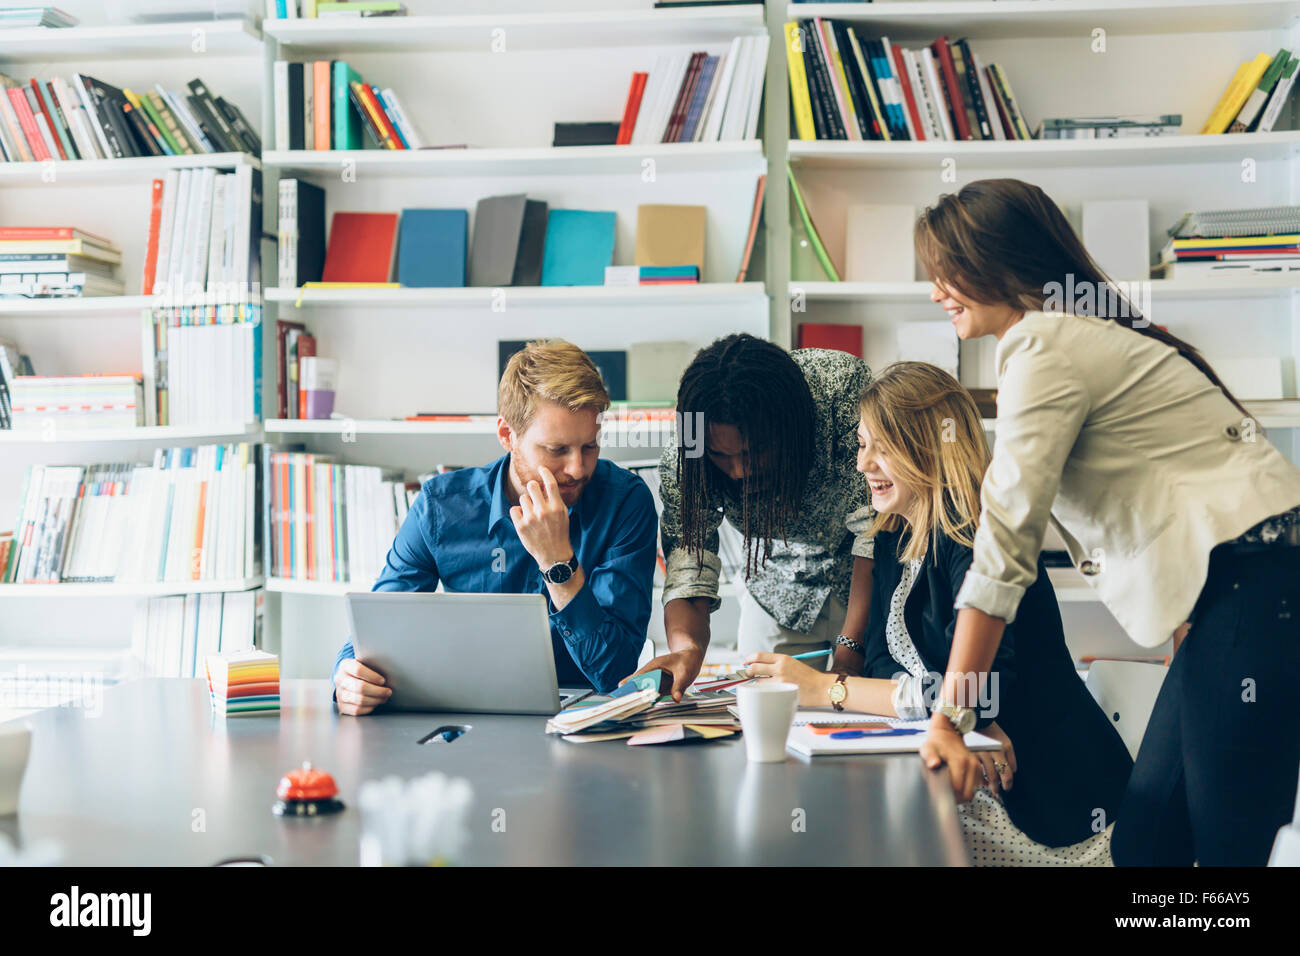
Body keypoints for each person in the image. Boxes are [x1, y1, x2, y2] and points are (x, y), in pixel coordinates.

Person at [909, 178, 1300, 867]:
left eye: (947, 270)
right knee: (1148, 847)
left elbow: (1005, 543)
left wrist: (950, 717)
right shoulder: (1076, 336)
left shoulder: (1041, 345)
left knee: (1228, 853)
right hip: (1239, 598)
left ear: (998, 260)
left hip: (1260, 592)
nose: (936, 289)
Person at [747, 362, 1133, 865]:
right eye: (862, 445)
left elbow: (982, 691)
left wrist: (828, 690)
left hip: (1052, 810)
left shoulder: (979, 537)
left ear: (929, 447)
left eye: (882, 447)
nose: (864, 464)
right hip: (975, 774)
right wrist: (939, 704)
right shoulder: (895, 537)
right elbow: (887, 664)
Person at [331, 339, 658, 714]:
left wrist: (558, 564)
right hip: (467, 715)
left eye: (589, 447)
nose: (578, 469)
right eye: (556, 450)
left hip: (585, 721)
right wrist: (346, 676)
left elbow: (615, 671)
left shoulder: (626, 503)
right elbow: (377, 626)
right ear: (507, 436)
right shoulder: (441, 506)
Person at [631, 333, 875, 700]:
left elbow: (873, 529)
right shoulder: (690, 454)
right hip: (778, 590)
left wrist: (849, 658)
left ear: (789, 430)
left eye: (755, 451)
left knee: (863, 712)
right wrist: (688, 649)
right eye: (721, 455)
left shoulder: (841, 391)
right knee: (766, 716)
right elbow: (689, 561)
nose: (739, 471)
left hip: (867, 584)